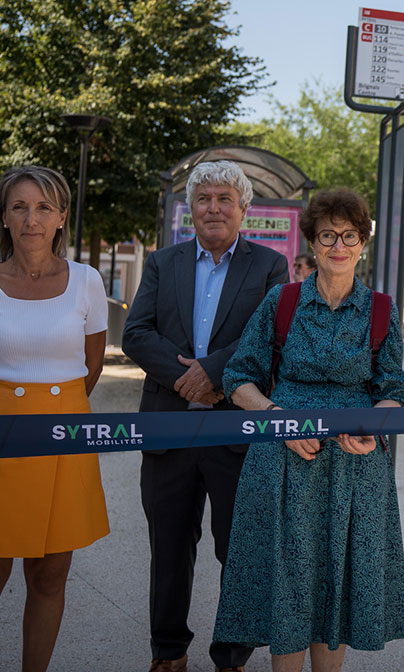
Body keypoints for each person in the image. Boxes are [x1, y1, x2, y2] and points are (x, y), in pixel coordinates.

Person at [214, 187, 404, 672]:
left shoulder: (381, 310)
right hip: (284, 463)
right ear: (312, 242)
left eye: (349, 236)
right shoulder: (281, 302)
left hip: (354, 470)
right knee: (288, 580)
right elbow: (238, 378)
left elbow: (395, 388)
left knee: (338, 583)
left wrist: (373, 429)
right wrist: (279, 420)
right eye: (328, 236)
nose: (338, 246)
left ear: (362, 242)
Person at [0, 165, 110, 672]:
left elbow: (91, 367)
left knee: (49, 578)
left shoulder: (88, 282)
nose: (32, 219)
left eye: (44, 207)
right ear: (4, 218)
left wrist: (52, 412)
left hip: (64, 434)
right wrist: (3, 413)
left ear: (62, 217)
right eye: (20, 207)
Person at [122, 160, 288, 672]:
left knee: (237, 552)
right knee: (169, 549)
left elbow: (271, 337)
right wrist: (186, 379)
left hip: (234, 430)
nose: (213, 208)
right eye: (203, 199)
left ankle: (231, 656)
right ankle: (168, 651)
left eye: (224, 199)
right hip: (168, 428)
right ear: (189, 209)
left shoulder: (270, 266)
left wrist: (214, 372)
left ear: (244, 209)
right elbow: (136, 333)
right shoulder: (161, 262)